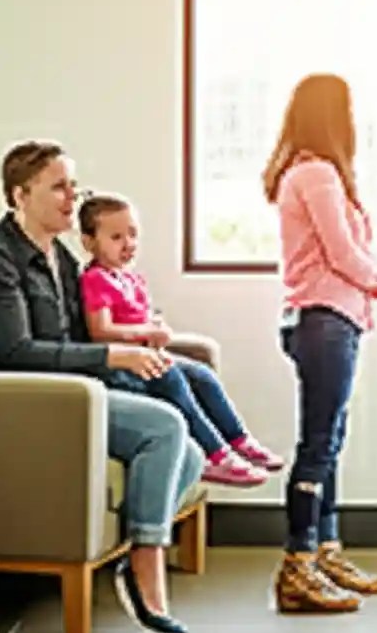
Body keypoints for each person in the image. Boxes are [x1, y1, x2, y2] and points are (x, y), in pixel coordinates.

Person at [0, 140, 197, 633]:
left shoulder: (61, 257)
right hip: (39, 402)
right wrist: (112, 356)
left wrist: (136, 339)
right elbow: (14, 352)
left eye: (74, 185)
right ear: (20, 195)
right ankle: (146, 565)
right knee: (165, 428)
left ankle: (130, 552)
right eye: (59, 187)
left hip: (78, 389)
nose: (73, 198)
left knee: (193, 454)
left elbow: (85, 332)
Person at [263, 73, 377, 613]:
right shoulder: (317, 173)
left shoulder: (310, 172)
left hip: (327, 319)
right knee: (318, 444)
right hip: (325, 320)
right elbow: (340, 251)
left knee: (330, 440)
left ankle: (324, 552)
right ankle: (297, 566)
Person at [77, 192, 285, 487]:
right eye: (116, 237)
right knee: (170, 375)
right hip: (122, 365)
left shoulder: (131, 279)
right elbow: (100, 330)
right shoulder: (95, 279)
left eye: (133, 234)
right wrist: (146, 332)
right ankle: (216, 455)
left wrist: (154, 326)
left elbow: (141, 317)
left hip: (146, 355)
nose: (128, 244)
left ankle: (238, 438)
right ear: (89, 242)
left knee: (201, 374)